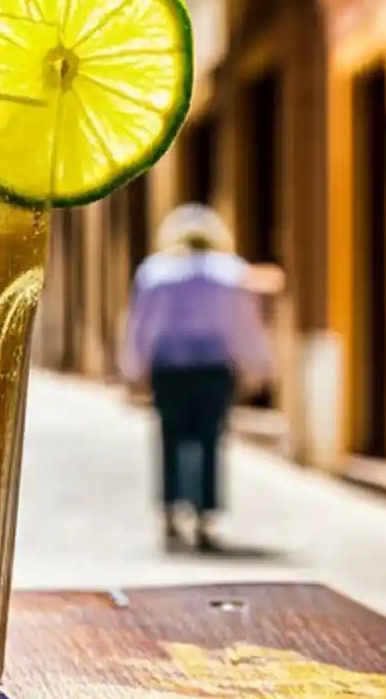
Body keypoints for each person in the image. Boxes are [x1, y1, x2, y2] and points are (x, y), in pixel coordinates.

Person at [120, 204, 274, 553]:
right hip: (212, 370)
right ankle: (205, 519)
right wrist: (257, 367)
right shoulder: (230, 272)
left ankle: (171, 515)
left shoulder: (156, 272)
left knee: (169, 439)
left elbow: (141, 324)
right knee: (209, 440)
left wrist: (133, 367)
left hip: (170, 369)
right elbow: (244, 325)